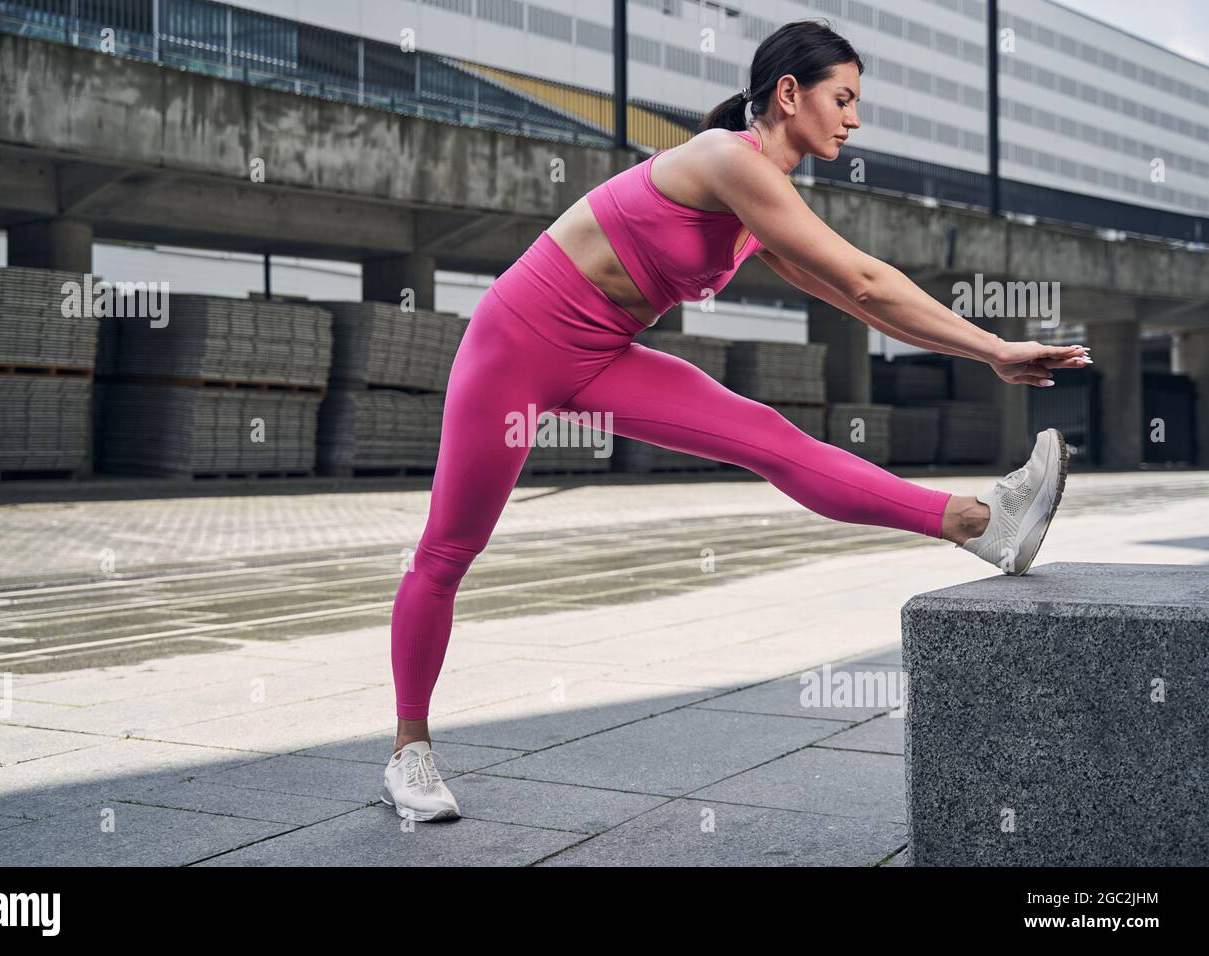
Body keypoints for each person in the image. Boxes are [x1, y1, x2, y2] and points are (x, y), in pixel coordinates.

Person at [380, 19, 1091, 822]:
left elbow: (861, 300)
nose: (854, 119)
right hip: (513, 345)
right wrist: (995, 347)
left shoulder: (758, 200)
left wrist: (985, 352)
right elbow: (866, 280)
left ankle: (981, 524)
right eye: (843, 99)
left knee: (770, 439)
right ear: (789, 93)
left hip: (603, 354)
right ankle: (409, 753)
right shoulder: (727, 159)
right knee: (448, 550)